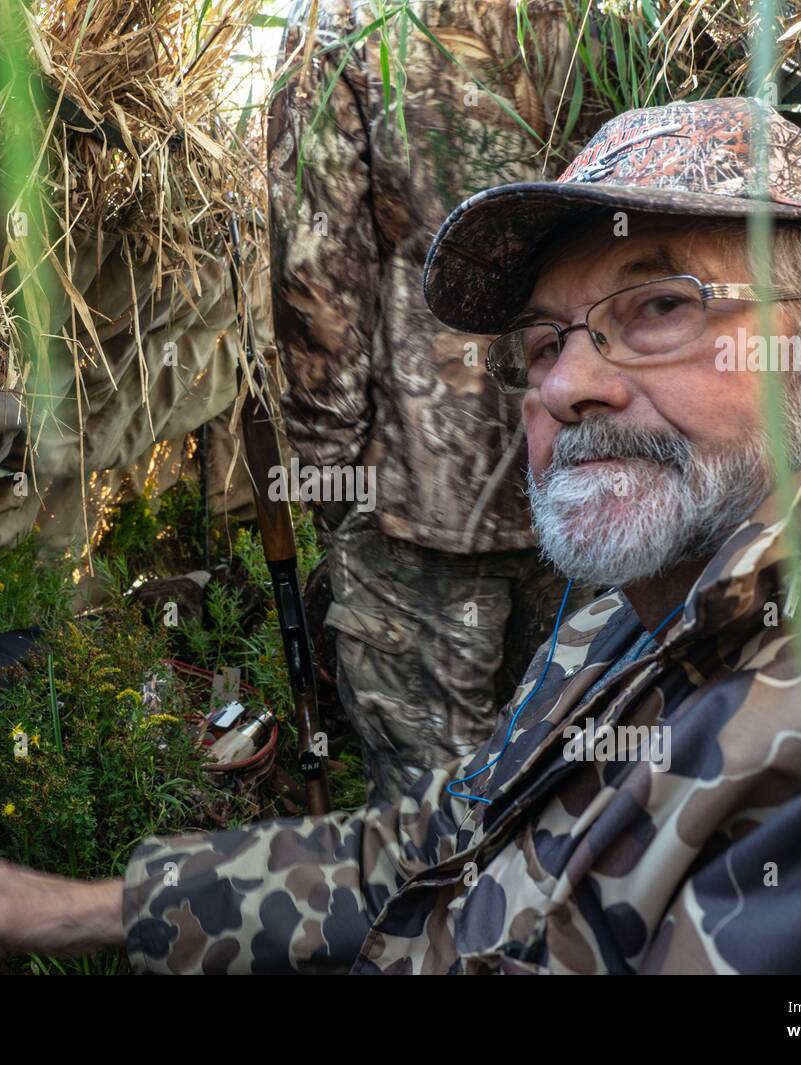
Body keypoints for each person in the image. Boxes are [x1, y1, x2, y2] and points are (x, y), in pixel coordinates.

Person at [0, 98, 801, 974]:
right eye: (543, 342)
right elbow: (446, 840)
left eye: (662, 306)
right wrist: (100, 908)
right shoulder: (654, 600)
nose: (566, 386)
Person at [266, 0, 595, 802]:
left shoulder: (341, 27)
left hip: (421, 501)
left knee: (434, 810)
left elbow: (316, 281)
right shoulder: (607, 20)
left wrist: (334, 476)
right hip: (593, 470)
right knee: (580, 779)